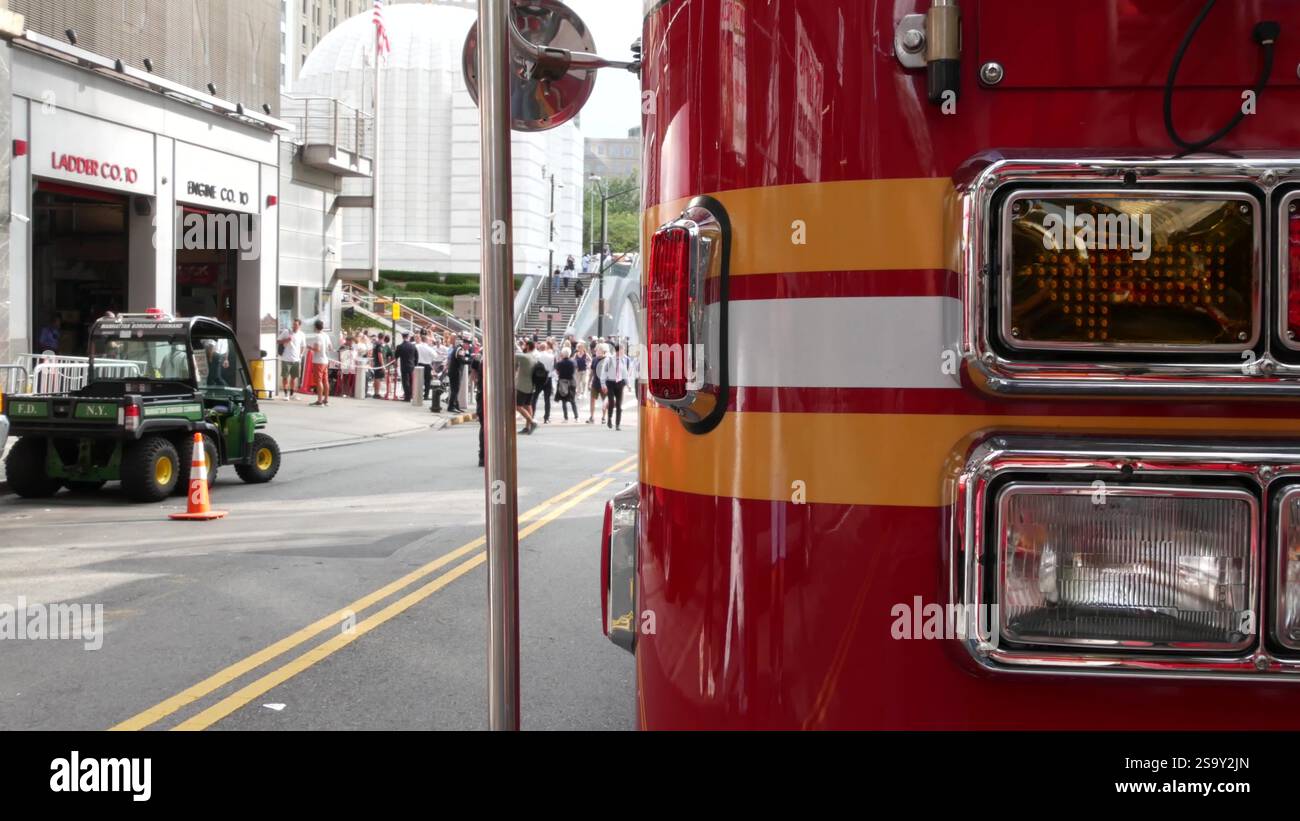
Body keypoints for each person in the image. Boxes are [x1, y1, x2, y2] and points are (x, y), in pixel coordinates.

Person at [598, 342, 631, 431]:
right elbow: (604, 372)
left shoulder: (623, 360)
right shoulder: (609, 360)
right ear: (618, 350)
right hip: (610, 383)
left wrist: (628, 384)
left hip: (619, 383)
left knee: (619, 405)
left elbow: (625, 373)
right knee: (611, 402)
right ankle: (609, 418)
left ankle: (617, 424)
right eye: (622, 349)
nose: (623, 351)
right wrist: (603, 384)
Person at [278, 319, 306, 400]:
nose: (294, 326)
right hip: (286, 358)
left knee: (293, 378)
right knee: (285, 377)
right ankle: (286, 395)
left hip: (296, 359)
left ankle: (291, 394)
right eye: (293, 324)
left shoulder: (301, 334)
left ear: (299, 326)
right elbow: (278, 341)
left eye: (296, 325)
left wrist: (300, 355)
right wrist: (286, 340)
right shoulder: (286, 332)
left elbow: (303, 346)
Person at [515, 340, 539, 435]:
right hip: (531, 386)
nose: (524, 347)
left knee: (518, 406)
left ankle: (532, 422)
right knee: (528, 405)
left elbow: (513, 356)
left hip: (522, 386)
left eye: (525, 345)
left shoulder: (524, 356)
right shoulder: (534, 357)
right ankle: (527, 427)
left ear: (528, 346)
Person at [309, 319, 333, 407]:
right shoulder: (326, 335)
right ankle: (326, 400)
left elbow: (317, 349)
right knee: (325, 380)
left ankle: (319, 401)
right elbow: (331, 347)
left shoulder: (318, 336)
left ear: (315, 326)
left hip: (318, 361)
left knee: (319, 381)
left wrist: (310, 347)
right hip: (325, 360)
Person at [531, 340, 555, 423]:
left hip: (538, 378)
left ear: (539, 348)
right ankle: (546, 417)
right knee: (547, 399)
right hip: (548, 378)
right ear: (546, 348)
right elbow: (552, 367)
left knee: (534, 397)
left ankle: (532, 415)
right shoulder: (551, 356)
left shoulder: (536, 356)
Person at [554, 346, 579, 421]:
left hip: (562, 382)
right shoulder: (573, 362)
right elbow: (575, 371)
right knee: (573, 401)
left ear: (563, 354)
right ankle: (576, 417)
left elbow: (557, 372)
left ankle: (566, 418)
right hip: (571, 382)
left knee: (564, 401)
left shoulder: (559, 363)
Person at [395, 332, 418, 401]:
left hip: (404, 365)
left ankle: (407, 396)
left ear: (402, 337)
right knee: (411, 381)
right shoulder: (413, 346)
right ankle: (410, 395)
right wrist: (415, 365)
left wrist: (396, 364)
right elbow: (416, 357)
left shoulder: (400, 346)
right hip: (411, 365)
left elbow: (396, 356)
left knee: (405, 381)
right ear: (408, 337)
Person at [587, 341, 606, 424]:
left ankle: (604, 417)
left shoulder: (607, 360)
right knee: (592, 400)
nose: (597, 352)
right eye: (596, 350)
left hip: (604, 384)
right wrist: (589, 382)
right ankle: (591, 417)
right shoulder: (594, 359)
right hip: (595, 383)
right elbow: (591, 372)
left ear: (603, 351)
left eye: (599, 350)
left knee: (604, 401)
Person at [416, 332, 435, 401]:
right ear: (426, 340)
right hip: (427, 365)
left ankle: (418, 394)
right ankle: (426, 395)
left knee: (419, 381)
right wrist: (430, 359)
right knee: (427, 381)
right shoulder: (429, 348)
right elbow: (435, 356)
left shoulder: (417, 346)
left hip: (419, 365)